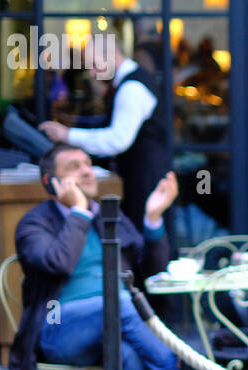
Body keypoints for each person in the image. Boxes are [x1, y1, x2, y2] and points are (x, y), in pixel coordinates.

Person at [8, 142, 237, 370]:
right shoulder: (35, 223)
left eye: (88, 163)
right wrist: (79, 214)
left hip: (119, 326)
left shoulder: (110, 216)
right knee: (116, 301)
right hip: (59, 327)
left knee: (131, 353)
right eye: (74, 167)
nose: (87, 171)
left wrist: (153, 219)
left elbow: (153, 271)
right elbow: (57, 263)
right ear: (51, 183)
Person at [38, 38, 170, 234]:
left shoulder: (132, 89)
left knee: (147, 238)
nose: (91, 73)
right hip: (141, 174)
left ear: (111, 56)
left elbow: (117, 140)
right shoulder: (127, 83)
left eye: (93, 65)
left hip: (145, 179)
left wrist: (68, 135)